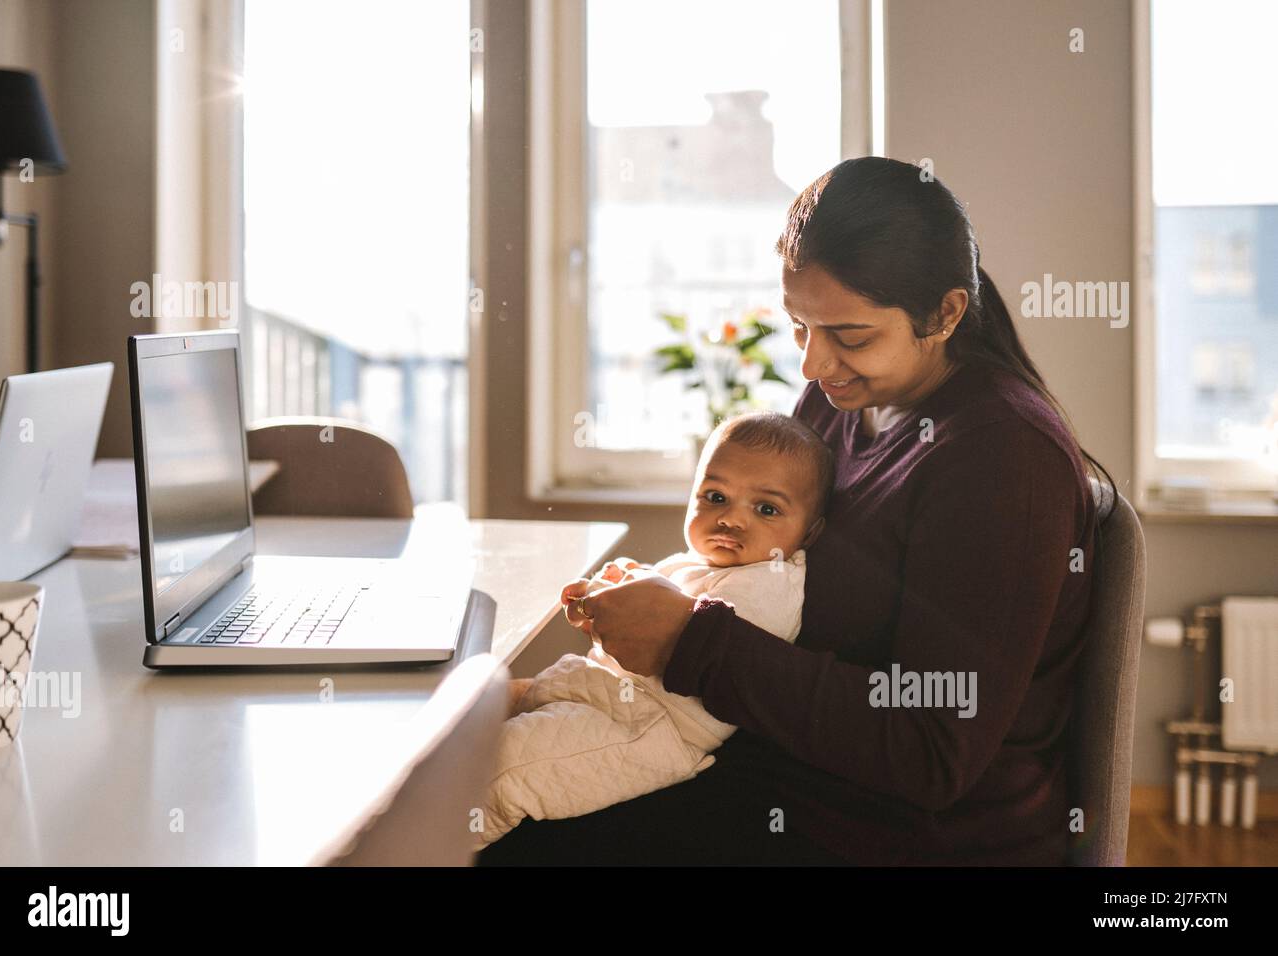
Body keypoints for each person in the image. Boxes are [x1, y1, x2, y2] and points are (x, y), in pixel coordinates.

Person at [477, 155, 1115, 866]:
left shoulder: (1001, 460)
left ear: (945, 314)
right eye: (799, 327)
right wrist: (680, 588)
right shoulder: (843, 403)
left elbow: (933, 751)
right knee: (466, 789)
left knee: (493, 835)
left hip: (906, 836)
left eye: (850, 335)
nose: (812, 365)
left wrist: (690, 640)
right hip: (786, 773)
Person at [474, 412, 832, 849]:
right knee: (480, 726)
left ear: (809, 532)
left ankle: (434, 846)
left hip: (654, 729)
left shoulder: (774, 582)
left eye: (766, 509)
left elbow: (707, 634)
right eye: (715, 497)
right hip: (605, 691)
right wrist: (612, 591)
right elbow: (658, 602)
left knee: (508, 766)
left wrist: (649, 598)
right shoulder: (700, 561)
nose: (732, 520)